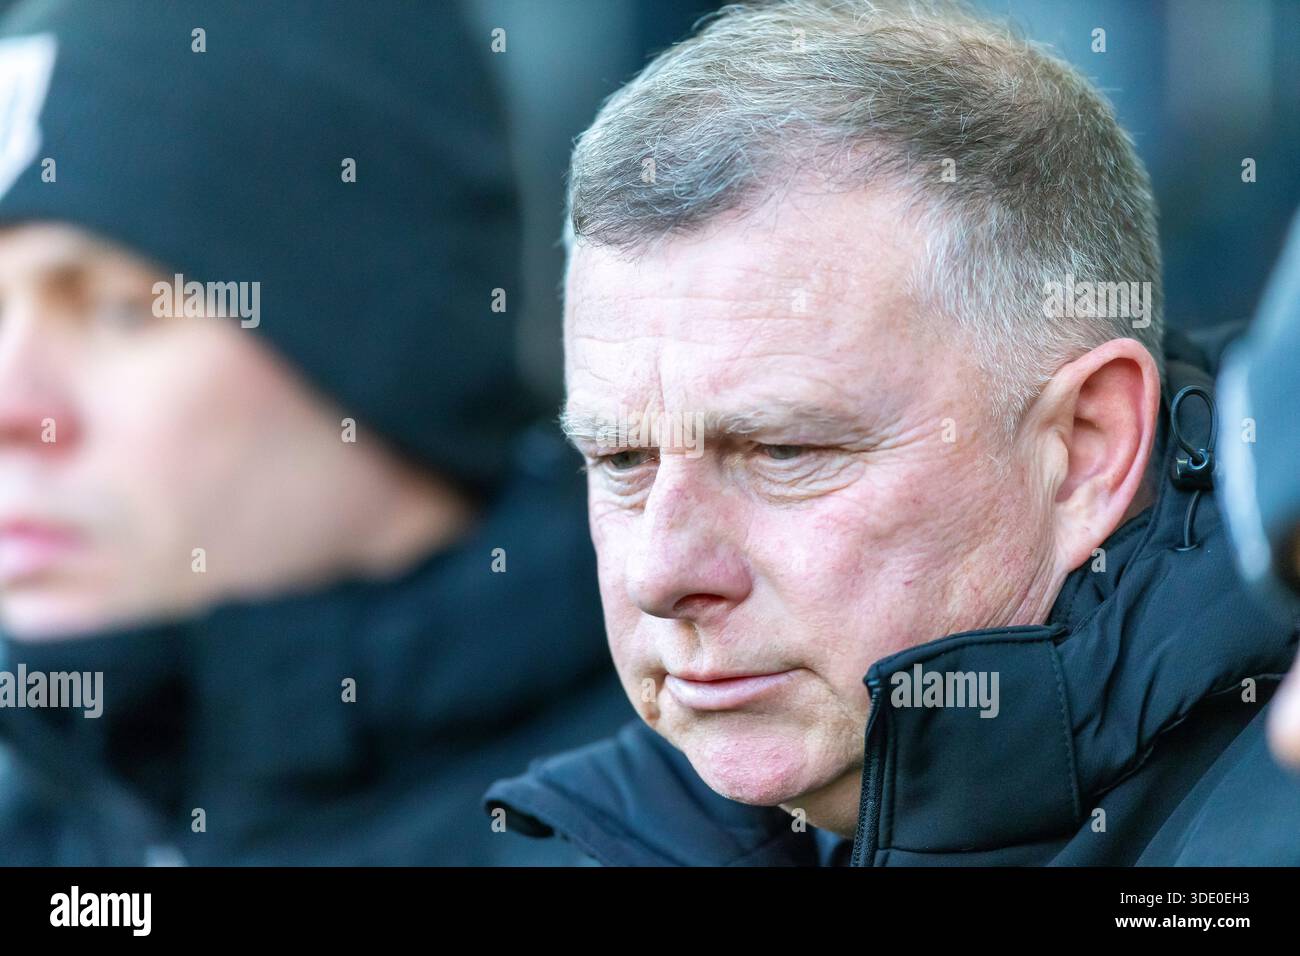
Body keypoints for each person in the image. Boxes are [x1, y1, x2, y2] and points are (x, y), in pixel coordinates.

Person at [483, 0, 1300, 865]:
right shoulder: (591, 834)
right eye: (620, 459)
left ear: (1085, 451)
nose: (661, 573)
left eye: (782, 452)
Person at [0, 0, 628, 865]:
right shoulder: (54, 801)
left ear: (388, 344)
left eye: (118, 309)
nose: (13, 409)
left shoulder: (699, 822)